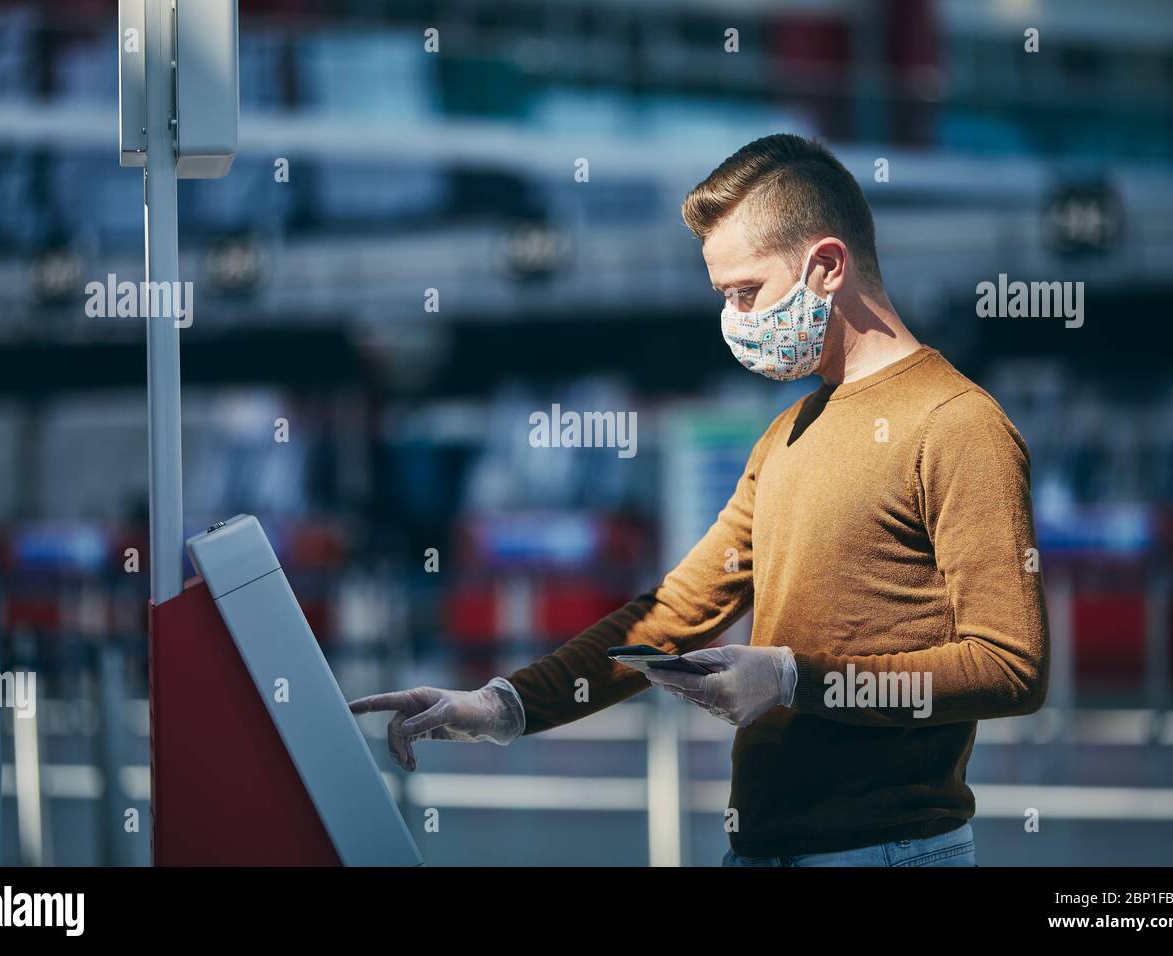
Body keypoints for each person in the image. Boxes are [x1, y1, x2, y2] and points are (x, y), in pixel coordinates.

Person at [352, 133, 1048, 867]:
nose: (735, 321)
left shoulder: (959, 425)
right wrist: (504, 707)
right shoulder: (787, 433)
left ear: (828, 266)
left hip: (888, 853)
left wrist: (789, 679)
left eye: (746, 292)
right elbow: (674, 611)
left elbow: (1010, 667)